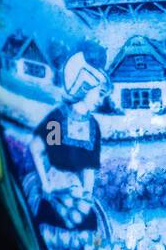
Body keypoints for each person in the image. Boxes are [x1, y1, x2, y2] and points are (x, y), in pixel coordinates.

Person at [27, 52, 110, 234]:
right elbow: (37, 149)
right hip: (55, 187)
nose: (100, 100)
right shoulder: (58, 119)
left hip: (77, 191)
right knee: (51, 225)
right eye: (99, 94)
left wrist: (87, 195)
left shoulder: (92, 126)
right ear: (84, 89)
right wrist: (45, 183)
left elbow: (89, 168)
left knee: (89, 224)